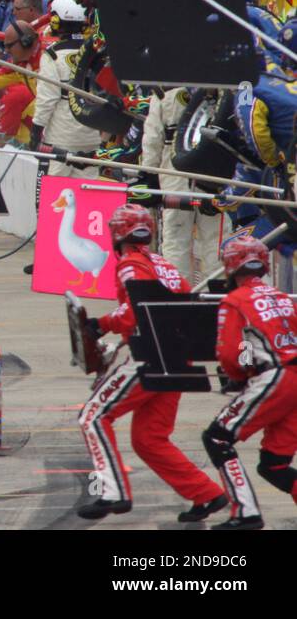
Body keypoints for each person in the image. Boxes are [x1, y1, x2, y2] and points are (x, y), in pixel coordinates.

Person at [76, 204, 227, 521]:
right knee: (149, 439)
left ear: (117, 234)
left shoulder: (130, 264)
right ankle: (207, 493)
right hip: (179, 357)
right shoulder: (164, 264)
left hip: (152, 356)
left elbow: (136, 310)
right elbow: (180, 303)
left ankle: (112, 492)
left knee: (93, 416)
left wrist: (101, 324)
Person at [203, 235, 297, 530]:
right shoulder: (282, 296)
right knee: (274, 465)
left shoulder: (234, 300)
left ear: (230, 266)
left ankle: (245, 512)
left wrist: (240, 377)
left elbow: (230, 354)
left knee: (217, 437)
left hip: (277, 378)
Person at [141, 88, 220, 282]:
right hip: (212, 172)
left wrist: (149, 171)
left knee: (176, 238)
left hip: (174, 172)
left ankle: (177, 292)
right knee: (214, 239)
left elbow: (152, 138)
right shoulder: (222, 93)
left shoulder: (163, 95)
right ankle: (217, 294)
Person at [33, 0, 101, 175]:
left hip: (59, 139)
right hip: (92, 136)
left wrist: (35, 131)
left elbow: (47, 99)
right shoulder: (98, 52)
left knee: (53, 200)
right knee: (87, 198)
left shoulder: (52, 55)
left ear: (56, 20)